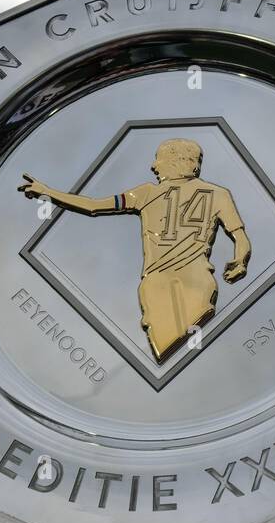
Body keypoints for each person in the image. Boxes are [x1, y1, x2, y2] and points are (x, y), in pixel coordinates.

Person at [19, 138, 251, 362]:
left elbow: (93, 205)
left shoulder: (146, 193)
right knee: (177, 349)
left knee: (176, 348)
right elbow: (240, 238)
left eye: (157, 159)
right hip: (182, 281)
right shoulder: (217, 194)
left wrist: (47, 191)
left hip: (170, 281)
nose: (153, 166)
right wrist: (239, 260)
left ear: (175, 161)